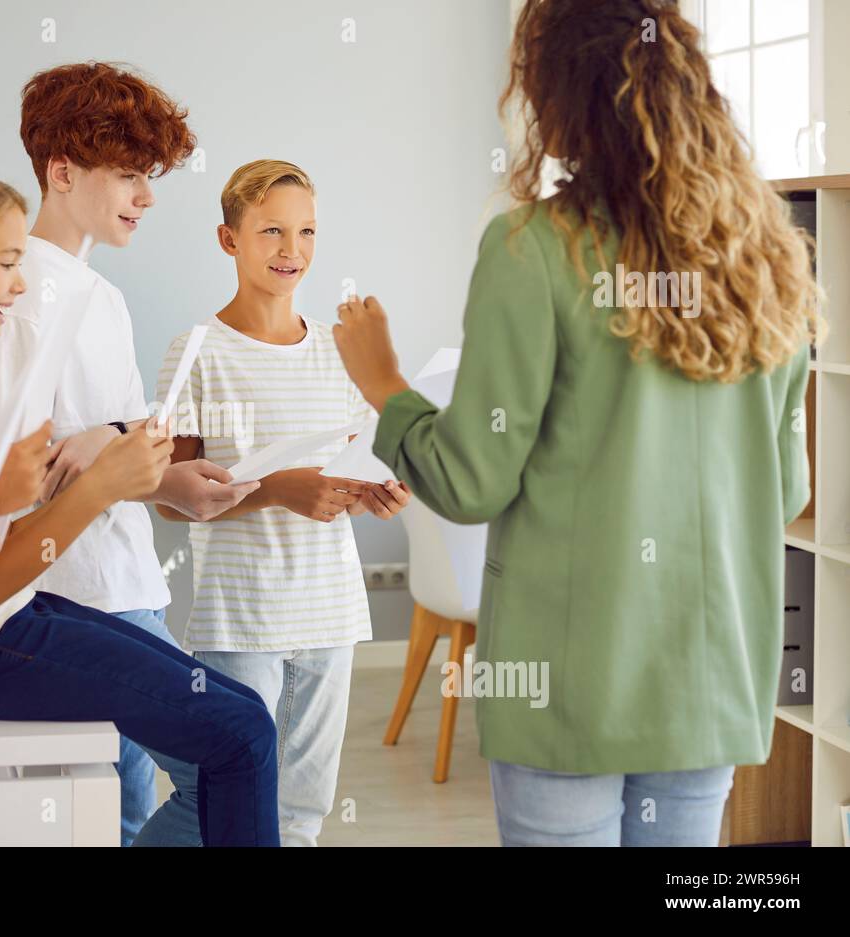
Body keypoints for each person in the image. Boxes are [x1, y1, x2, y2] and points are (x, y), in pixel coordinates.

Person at [332, 0, 820, 846]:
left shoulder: (533, 247)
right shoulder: (766, 256)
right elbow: (784, 491)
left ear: (557, 96)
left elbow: (471, 478)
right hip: (708, 686)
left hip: (565, 688)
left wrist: (386, 386)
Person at [0, 164, 281, 846]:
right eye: (8, 262)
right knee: (242, 733)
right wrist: (102, 483)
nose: (20, 284)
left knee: (245, 713)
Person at [0, 62, 260, 845]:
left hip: (125, 580)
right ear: (62, 173)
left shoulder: (100, 294)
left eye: (149, 176)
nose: (148, 195)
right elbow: (17, 469)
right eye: (130, 175)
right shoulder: (17, 289)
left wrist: (169, 483)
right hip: (74, 592)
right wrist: (112, 448)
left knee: (134, 803)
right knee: (135, 800)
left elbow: (115, 452)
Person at [155, 159, 410, 845]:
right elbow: (170, 502)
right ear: (227, 238)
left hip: (329, 609)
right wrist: (276, 490)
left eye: (306, 231)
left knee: (303, 813)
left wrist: (374, 490)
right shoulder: (197, 352)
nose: (291, 249)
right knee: (230, 800)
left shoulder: (339, 349)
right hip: (239, 619)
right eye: (270, 230)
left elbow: (353, 464)